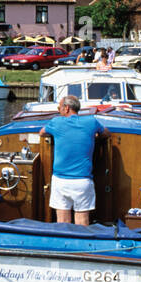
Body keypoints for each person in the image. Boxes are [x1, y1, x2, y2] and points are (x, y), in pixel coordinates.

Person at [39, 96, 107, 226]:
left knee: (63, 222)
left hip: (61, 180)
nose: (58, 111)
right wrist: (95, 135)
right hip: (82, 181)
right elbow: (106, 134)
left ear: (66, 108)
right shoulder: (91, 122)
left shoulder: (56, 123)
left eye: (59, 108)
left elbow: (41, 133)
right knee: (82, 221)